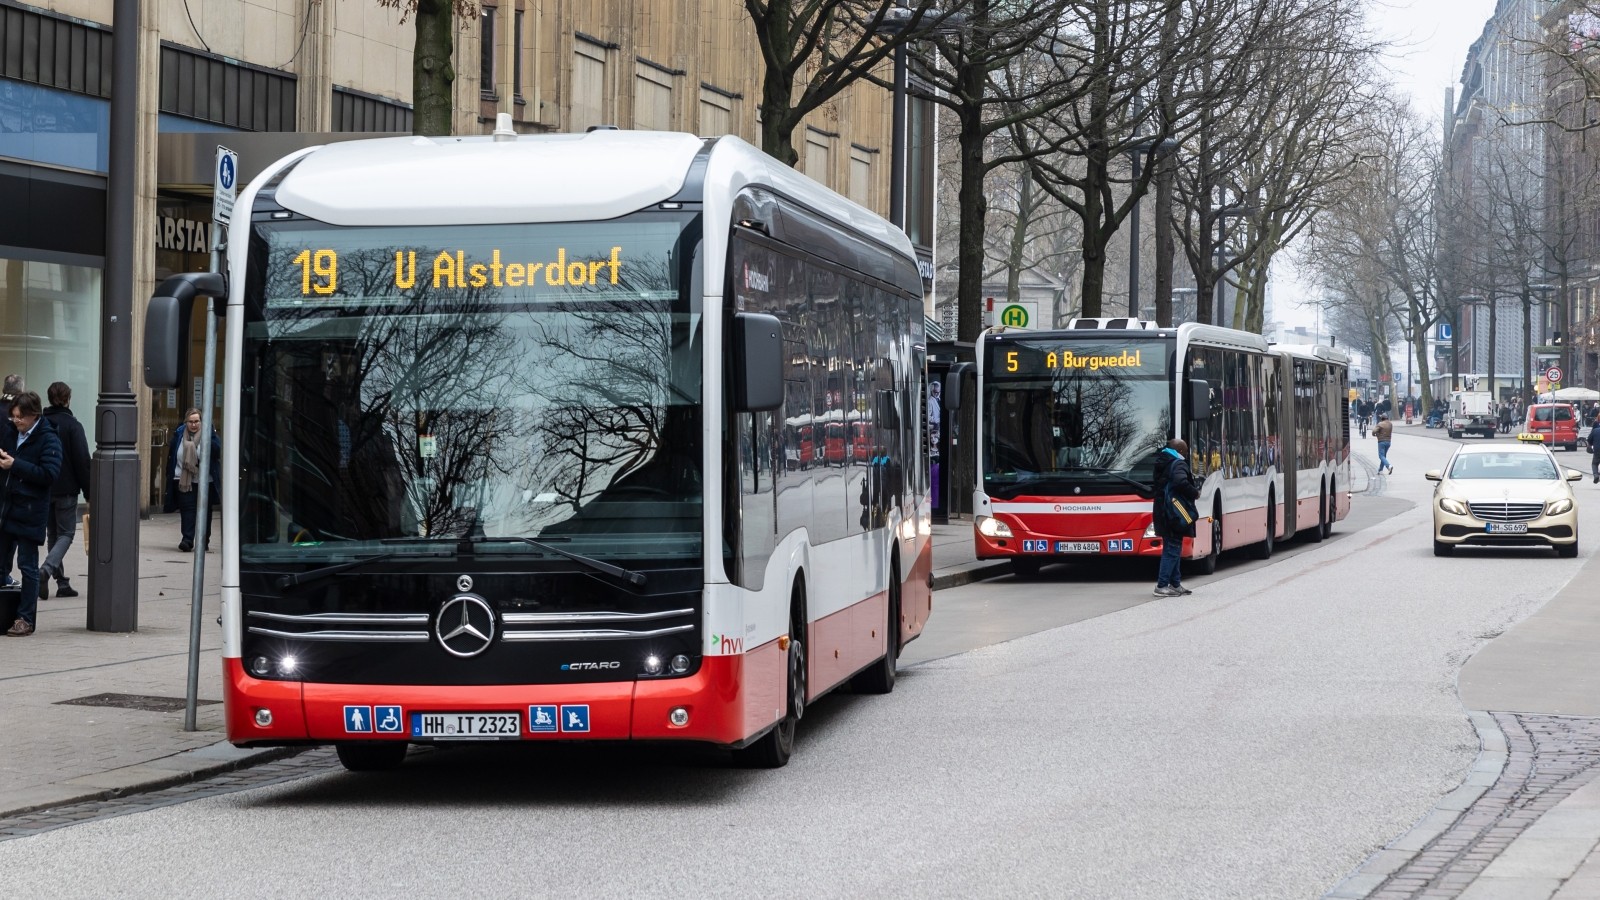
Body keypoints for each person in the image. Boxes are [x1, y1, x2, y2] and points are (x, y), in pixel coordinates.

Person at [1, 391, 63, 636]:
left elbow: (49, 474)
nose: (16, 421)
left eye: (20, 417)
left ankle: (25, 618)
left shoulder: (48, 439)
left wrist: (14, 464)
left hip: (29, 511)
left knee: (27, 566)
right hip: (7, 508)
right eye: (14, 416)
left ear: (34, 415)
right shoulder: (10, 433)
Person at [39, 382, 90, 599]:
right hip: (67, 489)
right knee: (67, 533)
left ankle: (61, 583)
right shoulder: (73, 426)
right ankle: (47, 569)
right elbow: (82, 462)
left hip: (45, 486)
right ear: (68, 398)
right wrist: (89, 493)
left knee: (53, 534)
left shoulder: (41, 424)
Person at [163, 408, 221, 552]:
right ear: (186, 422)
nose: (193, 424)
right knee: (187, 510)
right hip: (183, 479)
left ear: (201, 422)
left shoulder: (209, 433)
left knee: (204, 512)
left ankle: (203, 540)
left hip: (204, 480)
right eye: (191, 421)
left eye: (196, 421)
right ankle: (187, 539)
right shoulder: (179, 434)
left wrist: (208, 438)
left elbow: (217, 451)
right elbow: (173, 456)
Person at [1151, 438, 1200, 598]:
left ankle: (1175, 584)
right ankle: (1162, 585)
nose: (1185, 456)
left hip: (1163, 511)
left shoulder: (1162, 461)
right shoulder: (1177, 463)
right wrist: (1194, 492)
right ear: (1180, 451)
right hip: (1173, 513)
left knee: (1173, 547)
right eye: (1185, 453)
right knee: (1172, 549)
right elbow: (1180, 482)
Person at [1589, 415, 1600, 484]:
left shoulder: (1595, 430)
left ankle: (1596, 475)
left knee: (1594, 464)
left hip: (1597, 450)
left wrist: (1591, 445)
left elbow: (1589, 440)